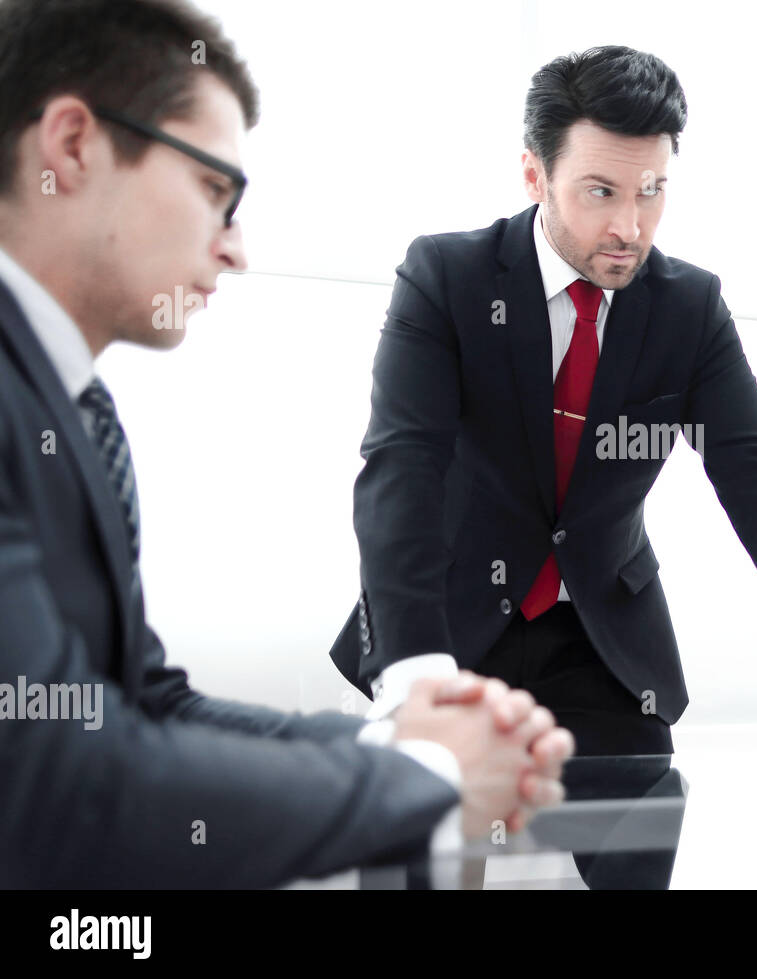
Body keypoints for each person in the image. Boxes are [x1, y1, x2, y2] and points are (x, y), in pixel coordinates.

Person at [0, 0, 572, 889]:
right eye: (214, 190)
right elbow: (59, 782)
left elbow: (143, 704)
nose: (234, 248)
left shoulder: (68, 410)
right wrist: (427, 777)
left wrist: (404, 742)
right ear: (73, 145)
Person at [329, 45, 757, 765]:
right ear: (535, 175)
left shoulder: (690, 308)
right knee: (424, 859)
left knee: (644, 844)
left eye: (651, 191)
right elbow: (401, 468)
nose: (630, 226)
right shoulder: (446, 277)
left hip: (606, 646)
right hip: (446, 627)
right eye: (601, 192)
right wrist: (413, 679)